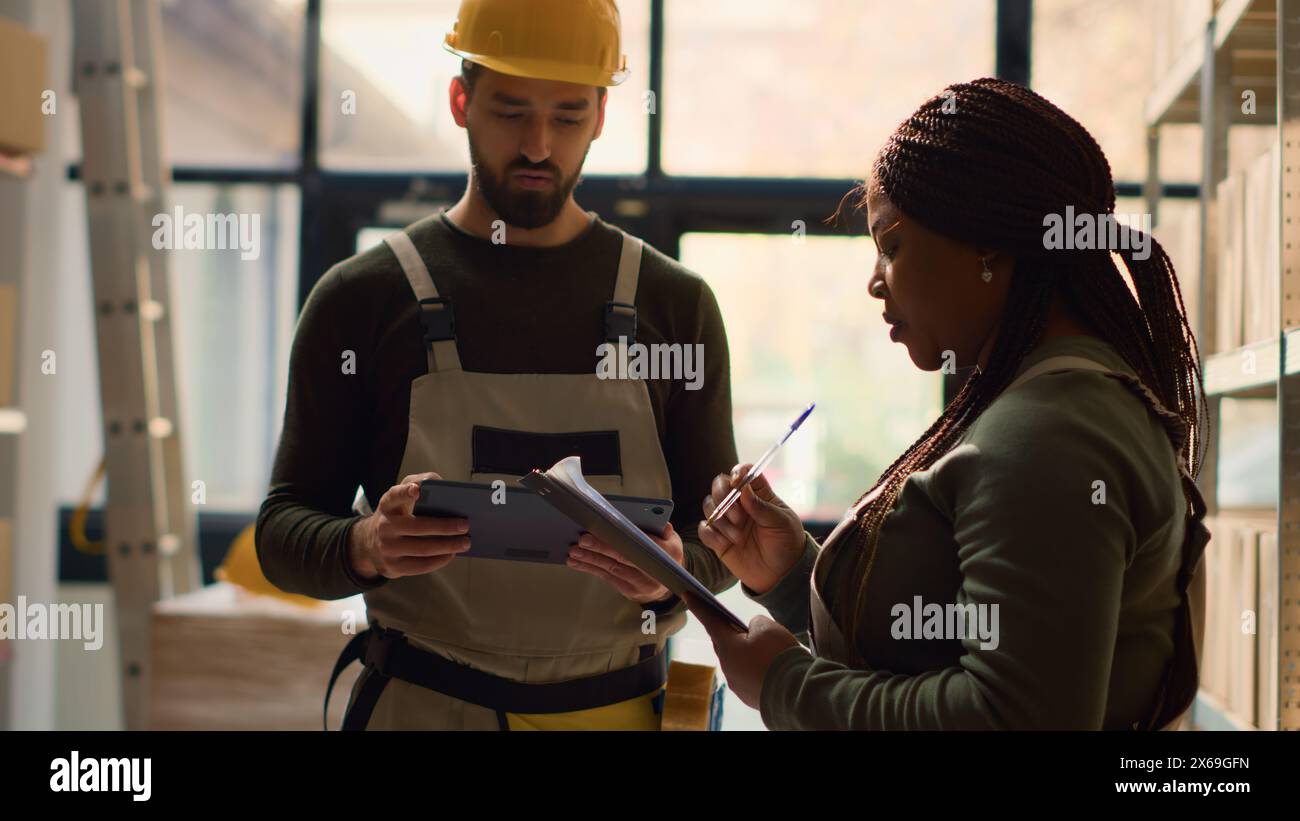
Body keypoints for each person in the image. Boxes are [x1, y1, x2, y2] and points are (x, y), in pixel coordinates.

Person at [255, 0, 737, 730]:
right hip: (422, 707)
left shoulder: (675, 306)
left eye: (568, 116)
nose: (539, 145)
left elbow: (719, 543)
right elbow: (282, 531)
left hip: (613, 714)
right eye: (511, 111)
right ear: (461, 101)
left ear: (604, 114)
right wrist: (364, 545)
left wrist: (670, 575)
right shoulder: (362, 299)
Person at [685, 78, 1210, 731]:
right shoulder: (1056, 403)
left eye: (892, 244)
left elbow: (1012, 717)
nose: (875, 281)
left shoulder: (1052, 431)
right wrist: (796, 576)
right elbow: (940, 646)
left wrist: (785, 684)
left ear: (987, 240)